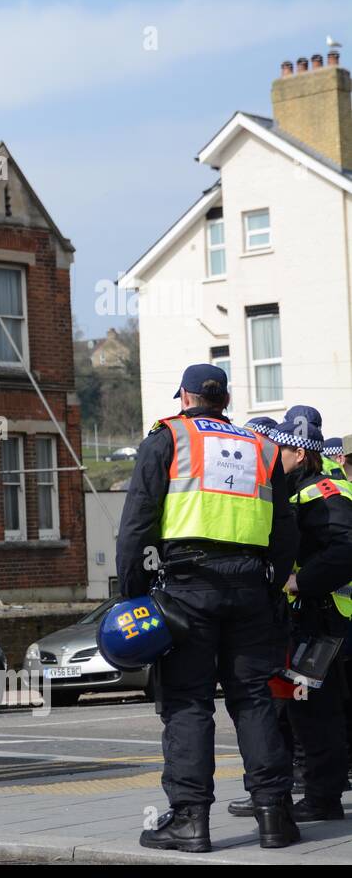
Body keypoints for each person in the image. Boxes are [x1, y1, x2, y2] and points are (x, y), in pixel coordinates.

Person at [116, 364, 298, 852]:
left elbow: (136, 523)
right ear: (224, 399)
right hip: (250, 590)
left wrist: (130, 594)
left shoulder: (168, 438)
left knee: (187, 702)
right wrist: (272, 584)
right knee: (254, 699)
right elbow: (285, 532)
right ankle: (275, 817)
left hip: (188, 590)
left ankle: (190, 822)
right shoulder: (260, 447)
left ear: (186, 397)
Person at [271, 408, 352, 820]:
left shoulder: (324, 493)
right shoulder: (305, 490)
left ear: (300, 453)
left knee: (315, 712)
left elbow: (345, 550)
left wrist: (301, 583)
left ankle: (322, 798)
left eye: (281, 448)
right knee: (309, 709)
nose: (274, 455)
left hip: (324, 622)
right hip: (319, 621)